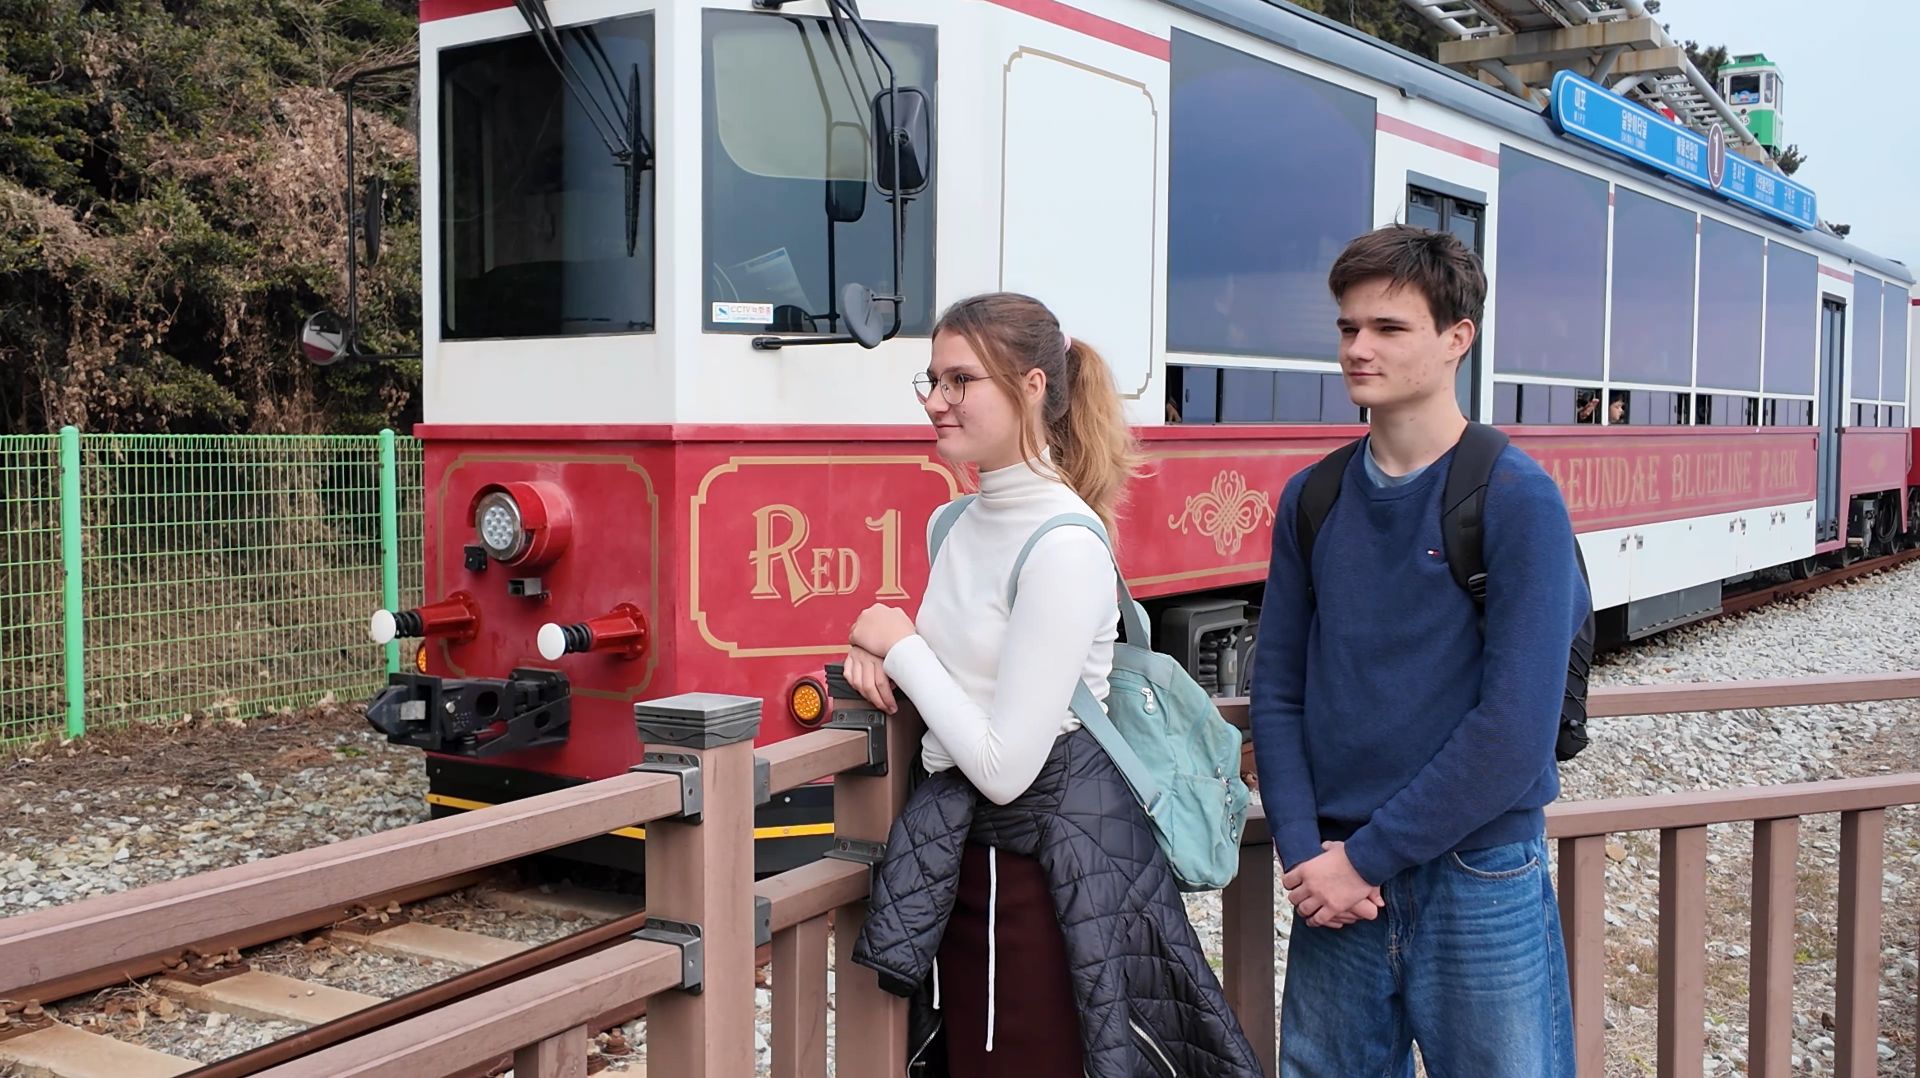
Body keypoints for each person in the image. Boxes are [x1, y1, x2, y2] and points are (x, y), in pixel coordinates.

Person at [842, 292, 1263, 1077]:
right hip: (966, 861)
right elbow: (960, 674)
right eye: (932, 379)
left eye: (961, 380)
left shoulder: (1065, 545)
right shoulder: (953, 524)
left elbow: (1006, 766)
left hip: (1048, 881)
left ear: (1032, 386)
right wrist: (875, 651)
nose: (935, 400)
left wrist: (899, 648)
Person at [1249, 224, 1588, 1077]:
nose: (1357, 348)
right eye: (1347, 327)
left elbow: (1514, 732)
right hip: (1337, 879)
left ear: (1455, 338)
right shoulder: (1312, 498)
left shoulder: (1517, 498)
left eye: (1388, 328)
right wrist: (1305, 854)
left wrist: (1356, 862)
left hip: (1476, 871)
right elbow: (1278, 693)